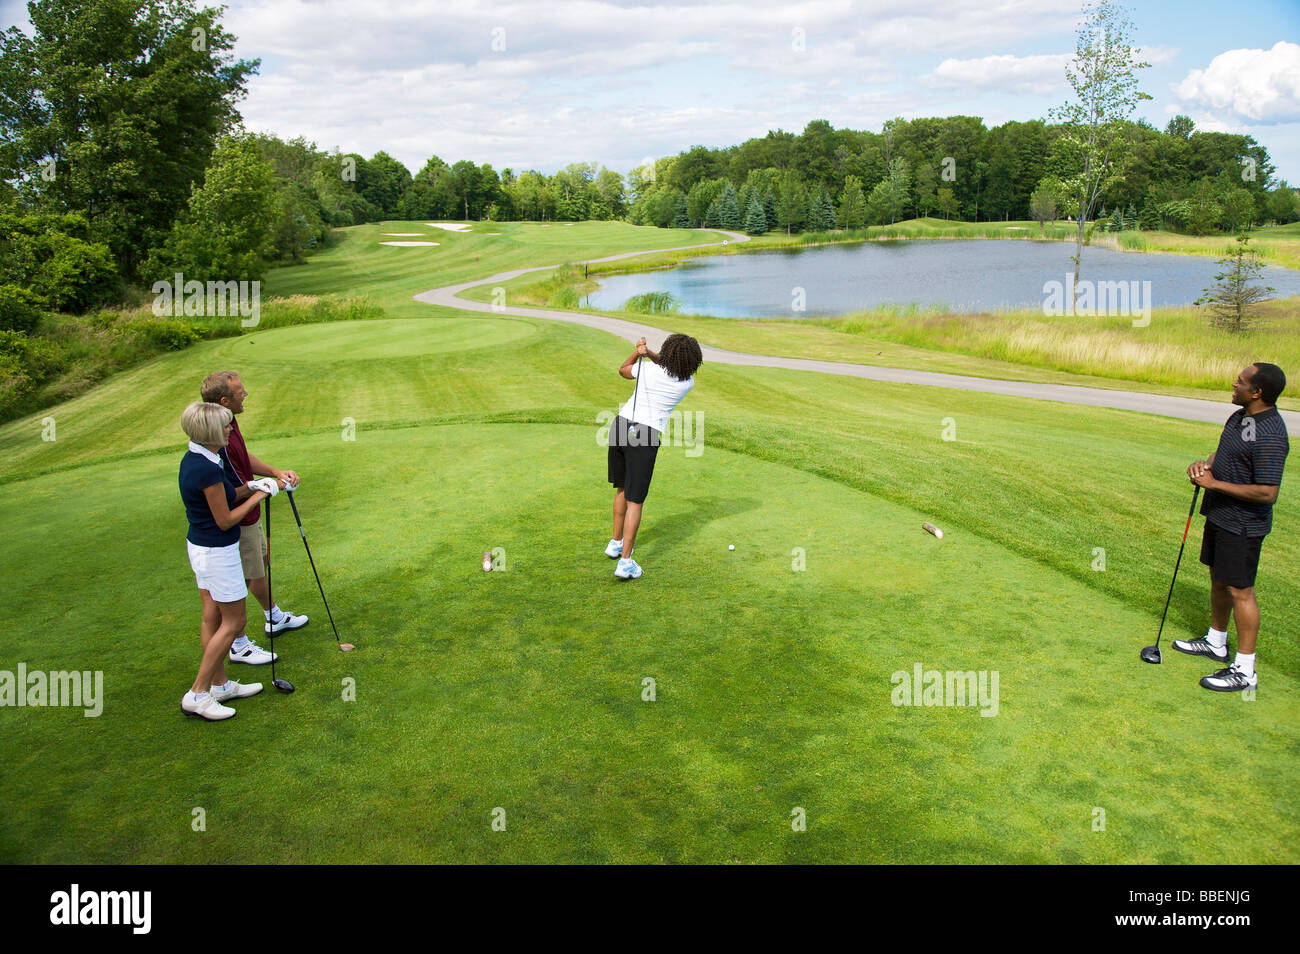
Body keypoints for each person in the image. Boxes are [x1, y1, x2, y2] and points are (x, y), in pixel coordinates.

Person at [1176, 363, 1288, 692]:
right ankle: (1216, 642)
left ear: (1257, 392)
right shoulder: (1241, 417)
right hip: (1222, 516)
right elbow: (1229, 451)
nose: (1233, 384)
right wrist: (1206, 463)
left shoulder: (1270, 434)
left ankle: (1245, 668)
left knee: (1241, 590)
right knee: (1219, 579)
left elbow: (1268, 493)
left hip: (1243, 525)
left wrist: (1214, 483)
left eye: (1240, 382)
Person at [178, 401, 282, 720]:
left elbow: (224, 496)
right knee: (234, 622)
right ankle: (197, 693)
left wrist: (250, 485)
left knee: (212, 616)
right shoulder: (207, 468)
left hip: (201, 547)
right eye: (224, 426)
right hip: (217, 552)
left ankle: (220, 686)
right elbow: (225, 520)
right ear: (210, 431)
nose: (228, 429)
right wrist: (261, 495)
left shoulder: (199, 457)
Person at [200, 371, 307, 666]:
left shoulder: (228, 423)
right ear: (224, 401)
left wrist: (273, 473)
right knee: (237, 582)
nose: (246, 395)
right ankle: (238, 643)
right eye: (240, 392)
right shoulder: (216, 437)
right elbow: (228, 494)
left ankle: (273, 617)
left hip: (250, 510)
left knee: (259, 566)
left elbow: (245, 458)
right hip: (238, 519)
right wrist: (263, 489)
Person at [605, 334, 703, 579]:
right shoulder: (686, 382)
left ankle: (615, 543)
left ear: (667, 352)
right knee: (635, 501)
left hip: (620, 426)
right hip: (644, 435)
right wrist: (649, 354)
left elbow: (623, 370)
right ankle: (625, 563)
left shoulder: (646, 369)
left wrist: (639, 352)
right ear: (692, 360)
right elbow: (672, 367)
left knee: (622, 490)